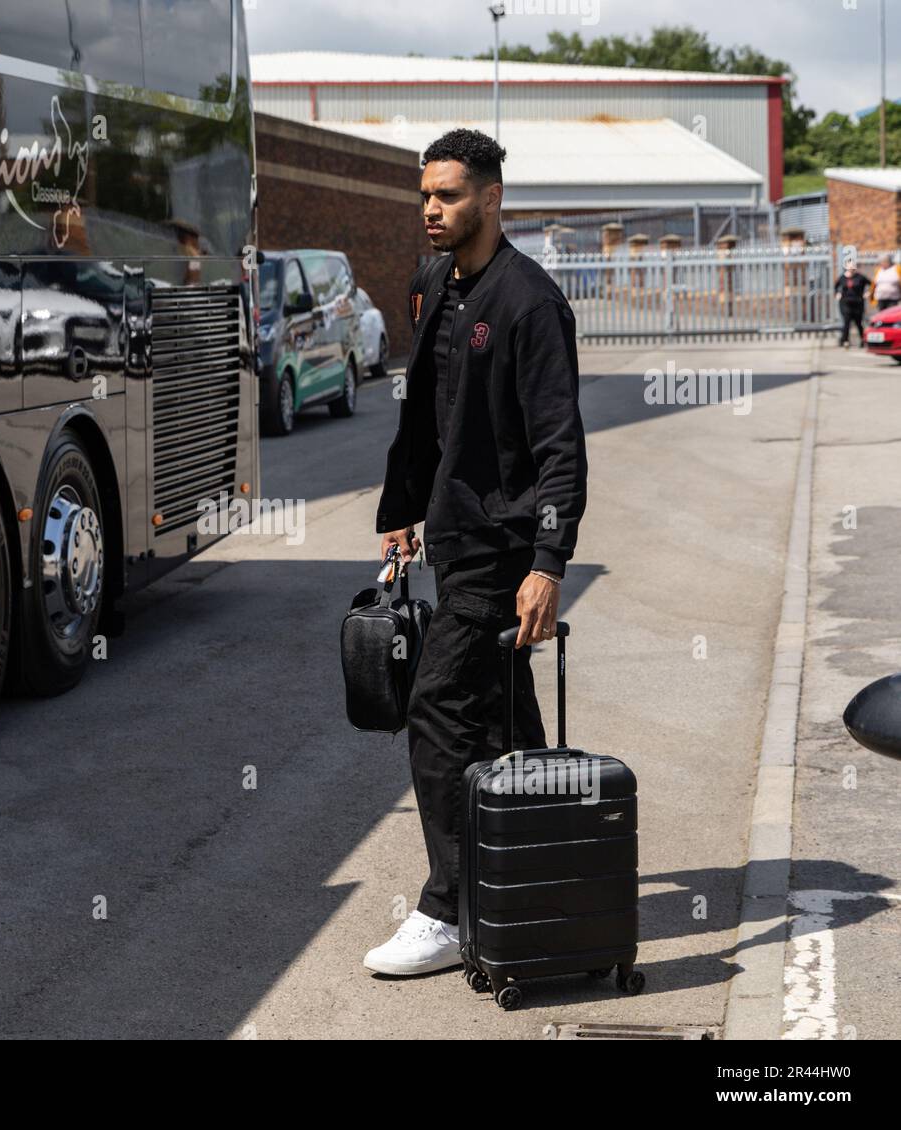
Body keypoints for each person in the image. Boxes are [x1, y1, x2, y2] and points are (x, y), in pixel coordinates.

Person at [364, 129, 587, 975]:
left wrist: (549, 562)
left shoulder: (530, 304)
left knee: (435, 708)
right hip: (451, 535)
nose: (431, 208)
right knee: (503, 719)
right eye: (425, 193)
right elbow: (421, 413)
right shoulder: (431, 282)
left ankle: (449, 910)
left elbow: (561, 446)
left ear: (492, 199)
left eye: (449, 194)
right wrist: (403, 509)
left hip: (502, 546)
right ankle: (543, 873)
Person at [835, 261, 870, 347]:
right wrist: (837, 294)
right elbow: (835, 287)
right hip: (845, 303)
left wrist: (868, 293)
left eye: (853, 266)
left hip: (858, 303)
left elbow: (871, 284)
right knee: (846, 321)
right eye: (849, 266)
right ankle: (845, 340)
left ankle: (863, 340)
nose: (851, 268)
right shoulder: (842, 278)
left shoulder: (860, 277)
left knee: (858, 322)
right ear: (846, 267)